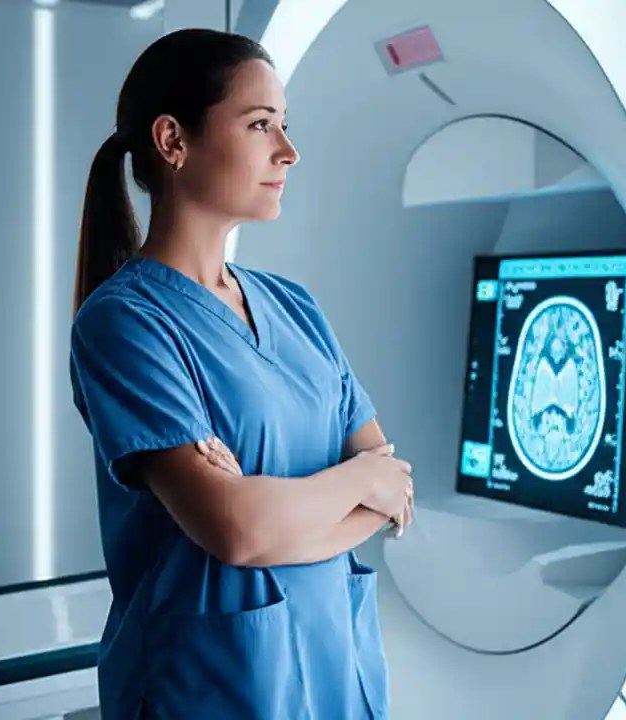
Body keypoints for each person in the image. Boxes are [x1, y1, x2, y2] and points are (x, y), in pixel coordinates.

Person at [68, 28, 415, 719]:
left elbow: (393, 492)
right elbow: (237, 530)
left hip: (336, 678)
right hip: (210, 686)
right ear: (173, 141)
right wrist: (352, 484)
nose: (288, 151)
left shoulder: (296, 307)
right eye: (260, 125)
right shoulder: (126, 323)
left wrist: (277, 512)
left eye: (284, 126)